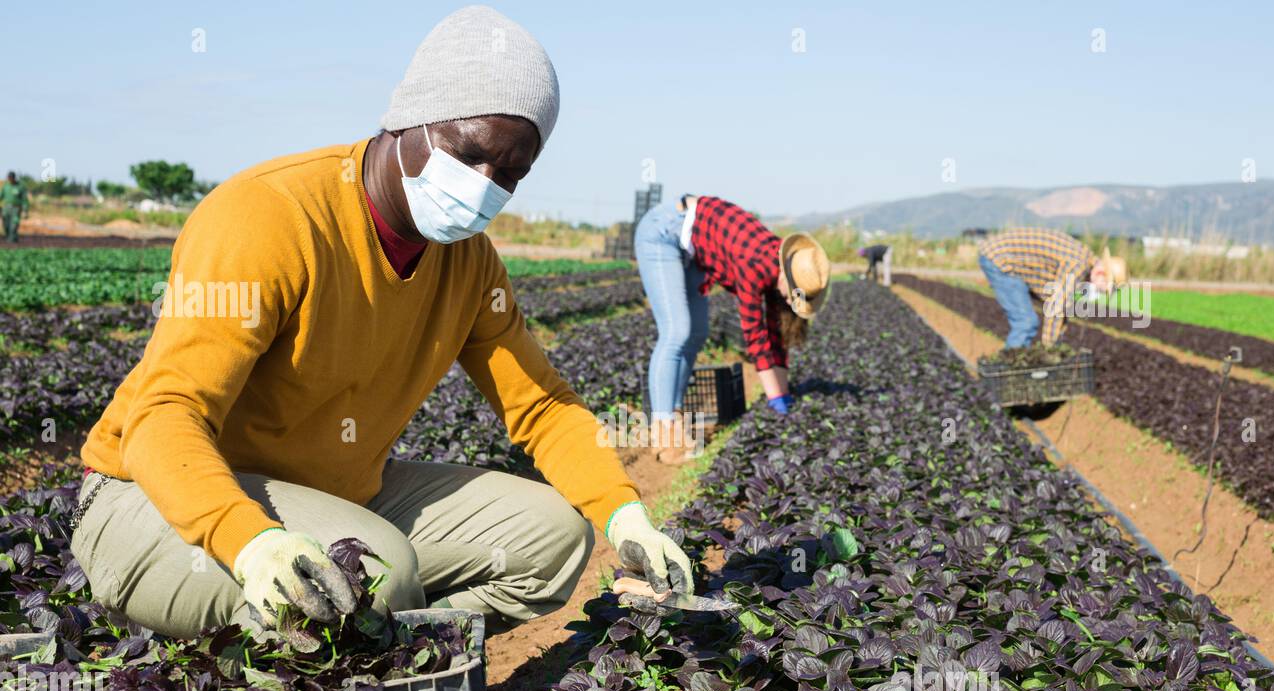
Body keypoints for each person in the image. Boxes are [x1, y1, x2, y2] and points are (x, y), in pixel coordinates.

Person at [71, 5, 693, 640]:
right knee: (378, 574)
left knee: (555, 538)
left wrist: (625, 516)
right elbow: (164, 413)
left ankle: (389, 652)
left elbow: (542, 406)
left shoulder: (469, 263)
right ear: (407, 119)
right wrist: (249, 540)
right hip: (151, 502)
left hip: (333, 494)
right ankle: (279, 660)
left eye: (509, 173)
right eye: (468, 153)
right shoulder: (270, 215)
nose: (482, 186)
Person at [634, 194, 830, 463]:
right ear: (786, 273)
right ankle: (662, 431)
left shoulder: (779, 268)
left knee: (698, 333)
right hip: (662, 231)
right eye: (793, 294)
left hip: (690, 248)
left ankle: (675, 416)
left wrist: (784, 394)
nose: (790, 300)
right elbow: (754, 333)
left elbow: (775, 335)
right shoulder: (755, 264)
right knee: (676, 331)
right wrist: (775, 399)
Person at [977, 227, 1128, 347]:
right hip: (1000, 258)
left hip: (1011, 260)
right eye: (1103, 289)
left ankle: (1016, 369)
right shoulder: (1077, 267)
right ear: (1101, 274)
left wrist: (1058, 335)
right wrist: (1049, 349)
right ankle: (1006, 375)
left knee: (1031, 321)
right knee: (1026, 323)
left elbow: (1058, 301)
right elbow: (1056, 307)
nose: (1099, 292)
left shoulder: (1084, 258)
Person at [1, 172, 29, 243]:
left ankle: (12, 242)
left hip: (16, 209)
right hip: (6, 209)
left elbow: (24, 200)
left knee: (14, 226)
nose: (10, 179)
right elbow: (1, 196)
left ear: (14, 178)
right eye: (9, 178)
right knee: (6, 226)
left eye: (11, 178)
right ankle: (12, 239)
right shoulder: (5, 186)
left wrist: (25, 211)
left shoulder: (20, 187)